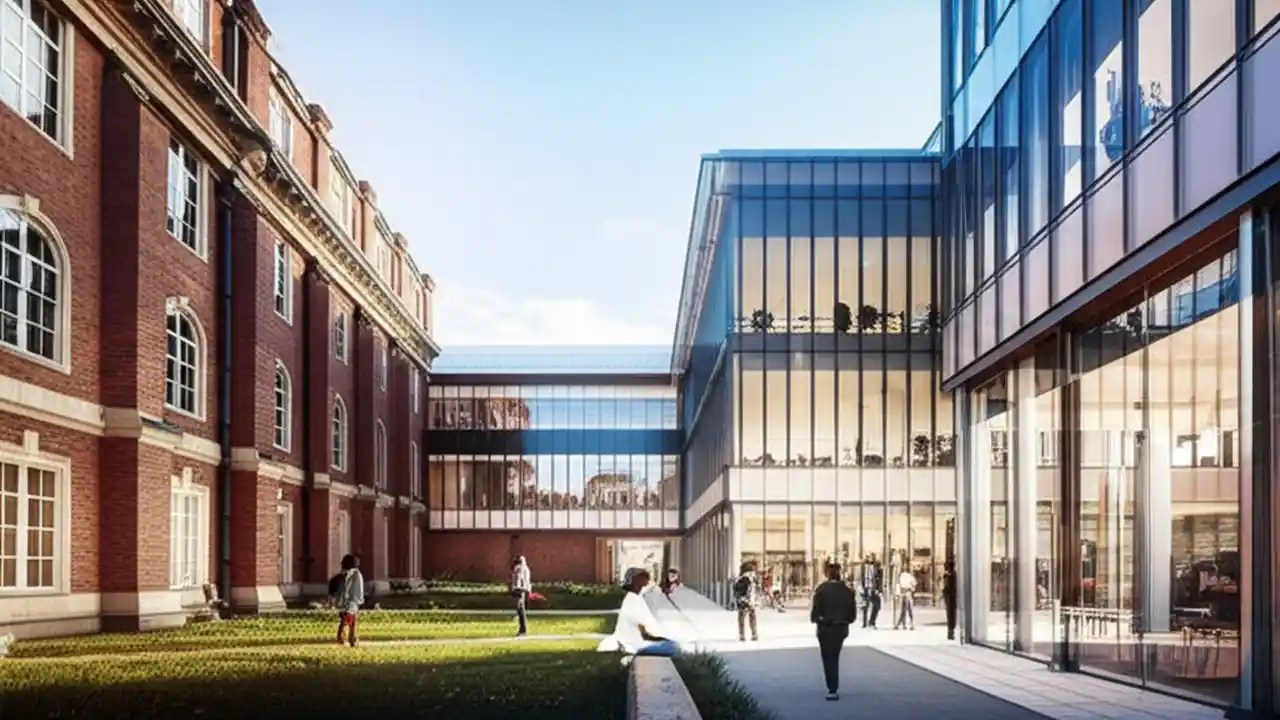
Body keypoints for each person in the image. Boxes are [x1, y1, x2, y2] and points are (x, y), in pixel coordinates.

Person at [607, 567, 679, 658]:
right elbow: (645, 634)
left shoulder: (632, 598)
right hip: (635, 646)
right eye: (644, 579)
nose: (646, 583)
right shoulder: (633, 601)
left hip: (632, 643)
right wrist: (662, 639)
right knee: (673, 646)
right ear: (636, 581)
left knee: (671, 643)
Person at [811, 562, 857, 701]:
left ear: (827, 574)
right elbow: (852, 616)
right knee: (835, 655)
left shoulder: (821, 590)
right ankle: (833, 687)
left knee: (828, 658)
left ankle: (832, 688)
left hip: (826, 628)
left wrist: (820, 619)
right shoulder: (848, 591)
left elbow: (814, 614)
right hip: (841, 628)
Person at [334, 553, 364, 647]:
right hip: (351, 602)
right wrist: (358, 600)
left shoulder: (344, 574)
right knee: (348, 621)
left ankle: (351, 638)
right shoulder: (355, 574)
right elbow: (357, 589)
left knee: (349, 621)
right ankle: (343, 638)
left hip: (345, 602)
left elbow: (341, 589)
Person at [733, 563, 759, 642]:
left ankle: (742, 635)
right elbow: (757, 589)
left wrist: (738, 598)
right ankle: (754, 634)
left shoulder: (742, 578)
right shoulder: (753, 578)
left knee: (741, 618)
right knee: (752, 618)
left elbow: (736, 589)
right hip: (752, 601)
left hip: (743, 601)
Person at [510, 555, 532, 636]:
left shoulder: (518, 568)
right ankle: (523, 628)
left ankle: (523, 629)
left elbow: (518, 578)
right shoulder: (526, 568)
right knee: (521, 609)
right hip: (525, 589)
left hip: (519, 589)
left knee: (520, 609)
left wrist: (515, 588)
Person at [860, 555, 883, 629]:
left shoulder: (876, 568)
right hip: (867, 588)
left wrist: (879, 589)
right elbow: (861, 578)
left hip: (871, 589)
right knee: (867, 605)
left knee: (875, 605)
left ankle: (870, 622)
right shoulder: (864, 567)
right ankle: (867, 623)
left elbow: (878, 579)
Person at [894, 566, 917, 630]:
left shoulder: (901, 576)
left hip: (903, 594)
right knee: (909, 610)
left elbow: (898, 586)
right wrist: (912, 589)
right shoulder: (909, 576)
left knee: (903, 610)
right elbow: (914, 584)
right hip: (908, 594)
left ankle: (901, 624)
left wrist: (897, 595)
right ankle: (910, 624)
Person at [943, 560, 958, 640]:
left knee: (950, 615)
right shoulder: (953, 575)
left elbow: (946, 587)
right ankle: (951, 632)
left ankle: (950, 632)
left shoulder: (949, 576)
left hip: (950, 597)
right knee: (951, 615)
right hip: (951, 597)